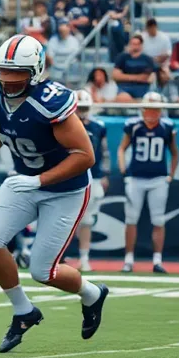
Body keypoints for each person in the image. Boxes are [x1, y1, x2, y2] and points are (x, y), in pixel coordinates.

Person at [0, 34, 109, 354]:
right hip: (23, 180)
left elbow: (84, 156)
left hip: (65, 188)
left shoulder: (50, 101)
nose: (8, 81)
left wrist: (40, 181)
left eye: (17, 74)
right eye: (3, 72)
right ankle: (24, 311)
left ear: (36, 71)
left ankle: (92, 294)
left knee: (42, 271)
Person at [118, 92, 177, 273]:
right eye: (149, 110)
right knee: (131, 219)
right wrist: (123, 170)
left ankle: (157, 261)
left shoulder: (167, 126)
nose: (152, 113)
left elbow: (175, 153)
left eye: (156, 110)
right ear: (143, 110)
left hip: (158, 178)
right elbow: (121, 148)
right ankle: (128, 260)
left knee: (158, 220)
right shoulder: (133, 125)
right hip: (136, 177)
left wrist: (171, 175)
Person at [75, 89, 108, 273]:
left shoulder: (97, 126)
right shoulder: (63, 125)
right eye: (79, 108)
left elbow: (104, 152)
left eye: (85, 107)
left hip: (92, 177)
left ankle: (84, 257)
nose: (82, 111)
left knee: (86, 221)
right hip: (70, 177)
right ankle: (59, 257)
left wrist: (105, 174)